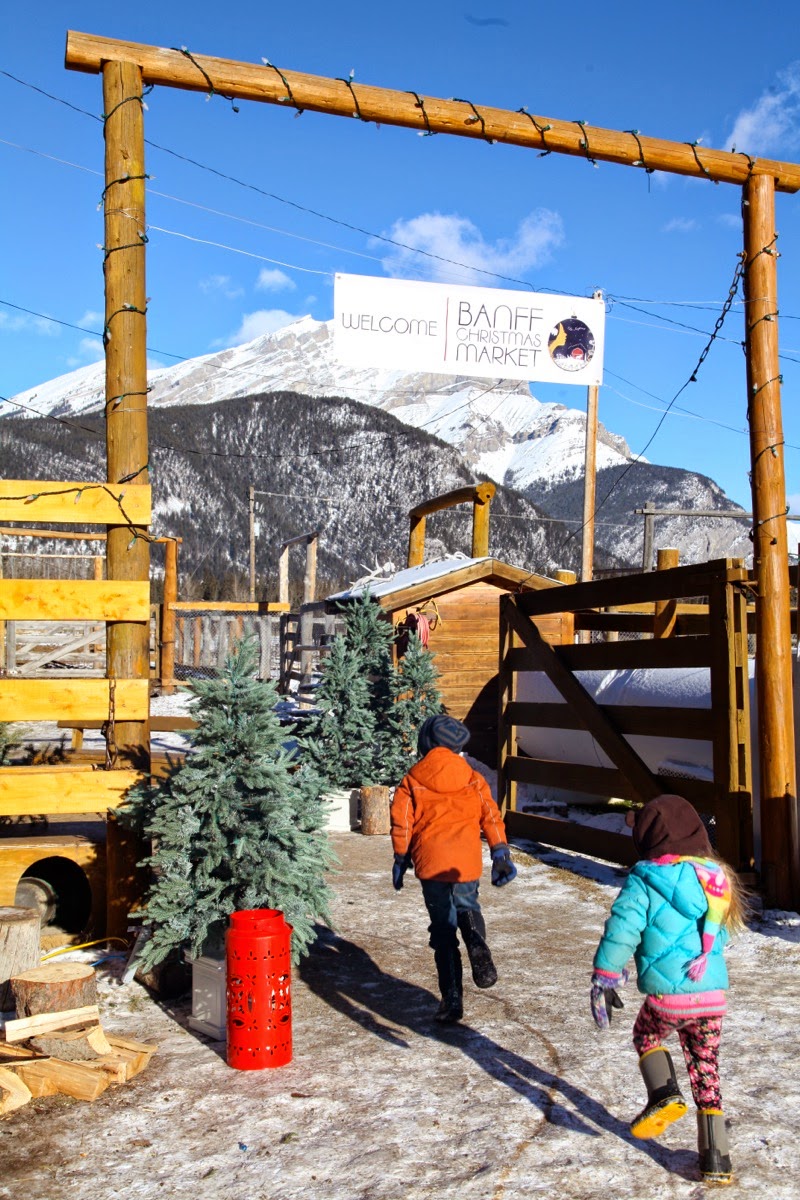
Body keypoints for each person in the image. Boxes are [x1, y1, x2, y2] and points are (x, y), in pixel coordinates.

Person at [590, 793, 747, 1186]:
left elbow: (622, 928)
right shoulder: (715, 880)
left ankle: (662, 1092)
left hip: (668, 999)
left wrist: (606, 974)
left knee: (646, 1035)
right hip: (711, 998)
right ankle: (716, 1158)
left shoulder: (645, 880)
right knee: (706, 1068)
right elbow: (722, 932)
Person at [390, 713, 516, 1024]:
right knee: (467, 906)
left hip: (431, 864)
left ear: (427, 743)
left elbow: (402, 823)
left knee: (443, 931)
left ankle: (452, 1000)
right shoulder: (473, 777)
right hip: (465, 862)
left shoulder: (412, 779)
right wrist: (500, 850)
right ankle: (476, 941)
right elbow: (490, 815)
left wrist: (400, 858)